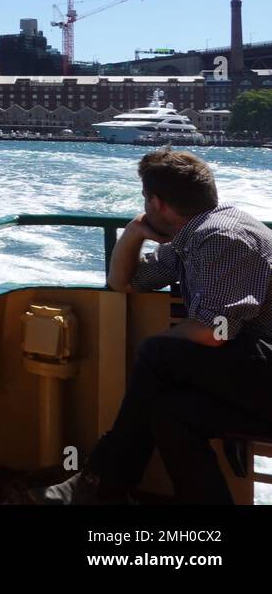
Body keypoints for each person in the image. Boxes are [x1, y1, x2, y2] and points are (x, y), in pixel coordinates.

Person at [32, 148, 272, 504]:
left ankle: (100, 482)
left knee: (159, 352)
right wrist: (132, 233)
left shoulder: (222, 238)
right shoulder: (196, 235)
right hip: (255, 379)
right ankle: (108, 487)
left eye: (145, 200)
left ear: (157, 202)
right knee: (169, 413)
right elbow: (123, 283)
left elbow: (213, 333)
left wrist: (158, 351)